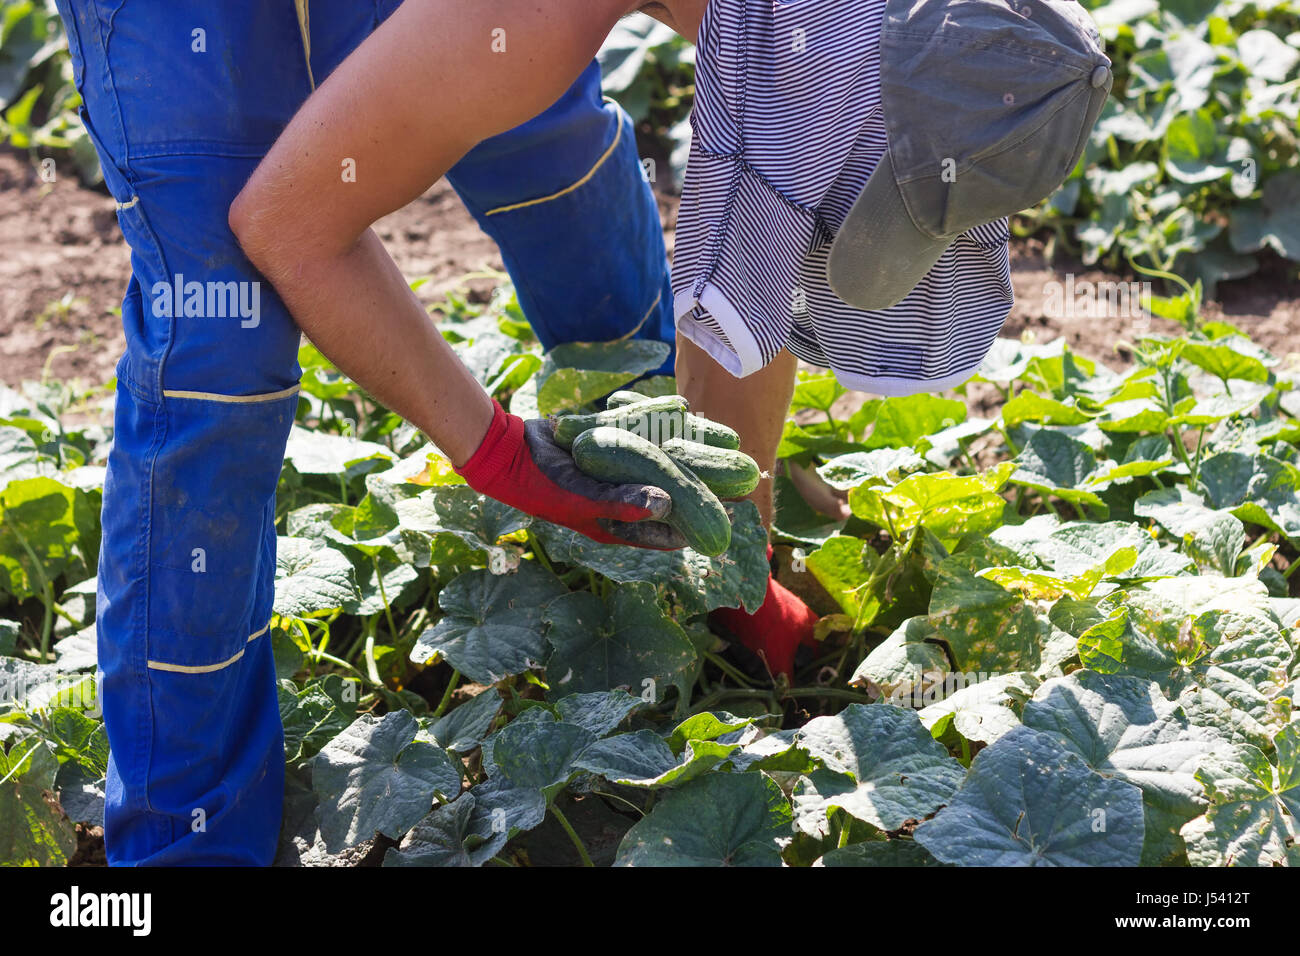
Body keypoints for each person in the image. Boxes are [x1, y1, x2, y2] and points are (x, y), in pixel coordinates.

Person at [65, 0, 1110, 866]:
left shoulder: (809, 46)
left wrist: (730, 542)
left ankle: (650, 517)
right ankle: (179, 854)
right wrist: (497, 452)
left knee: (535, 136)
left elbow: (765, 220)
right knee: (221, 328)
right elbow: (290, 223)